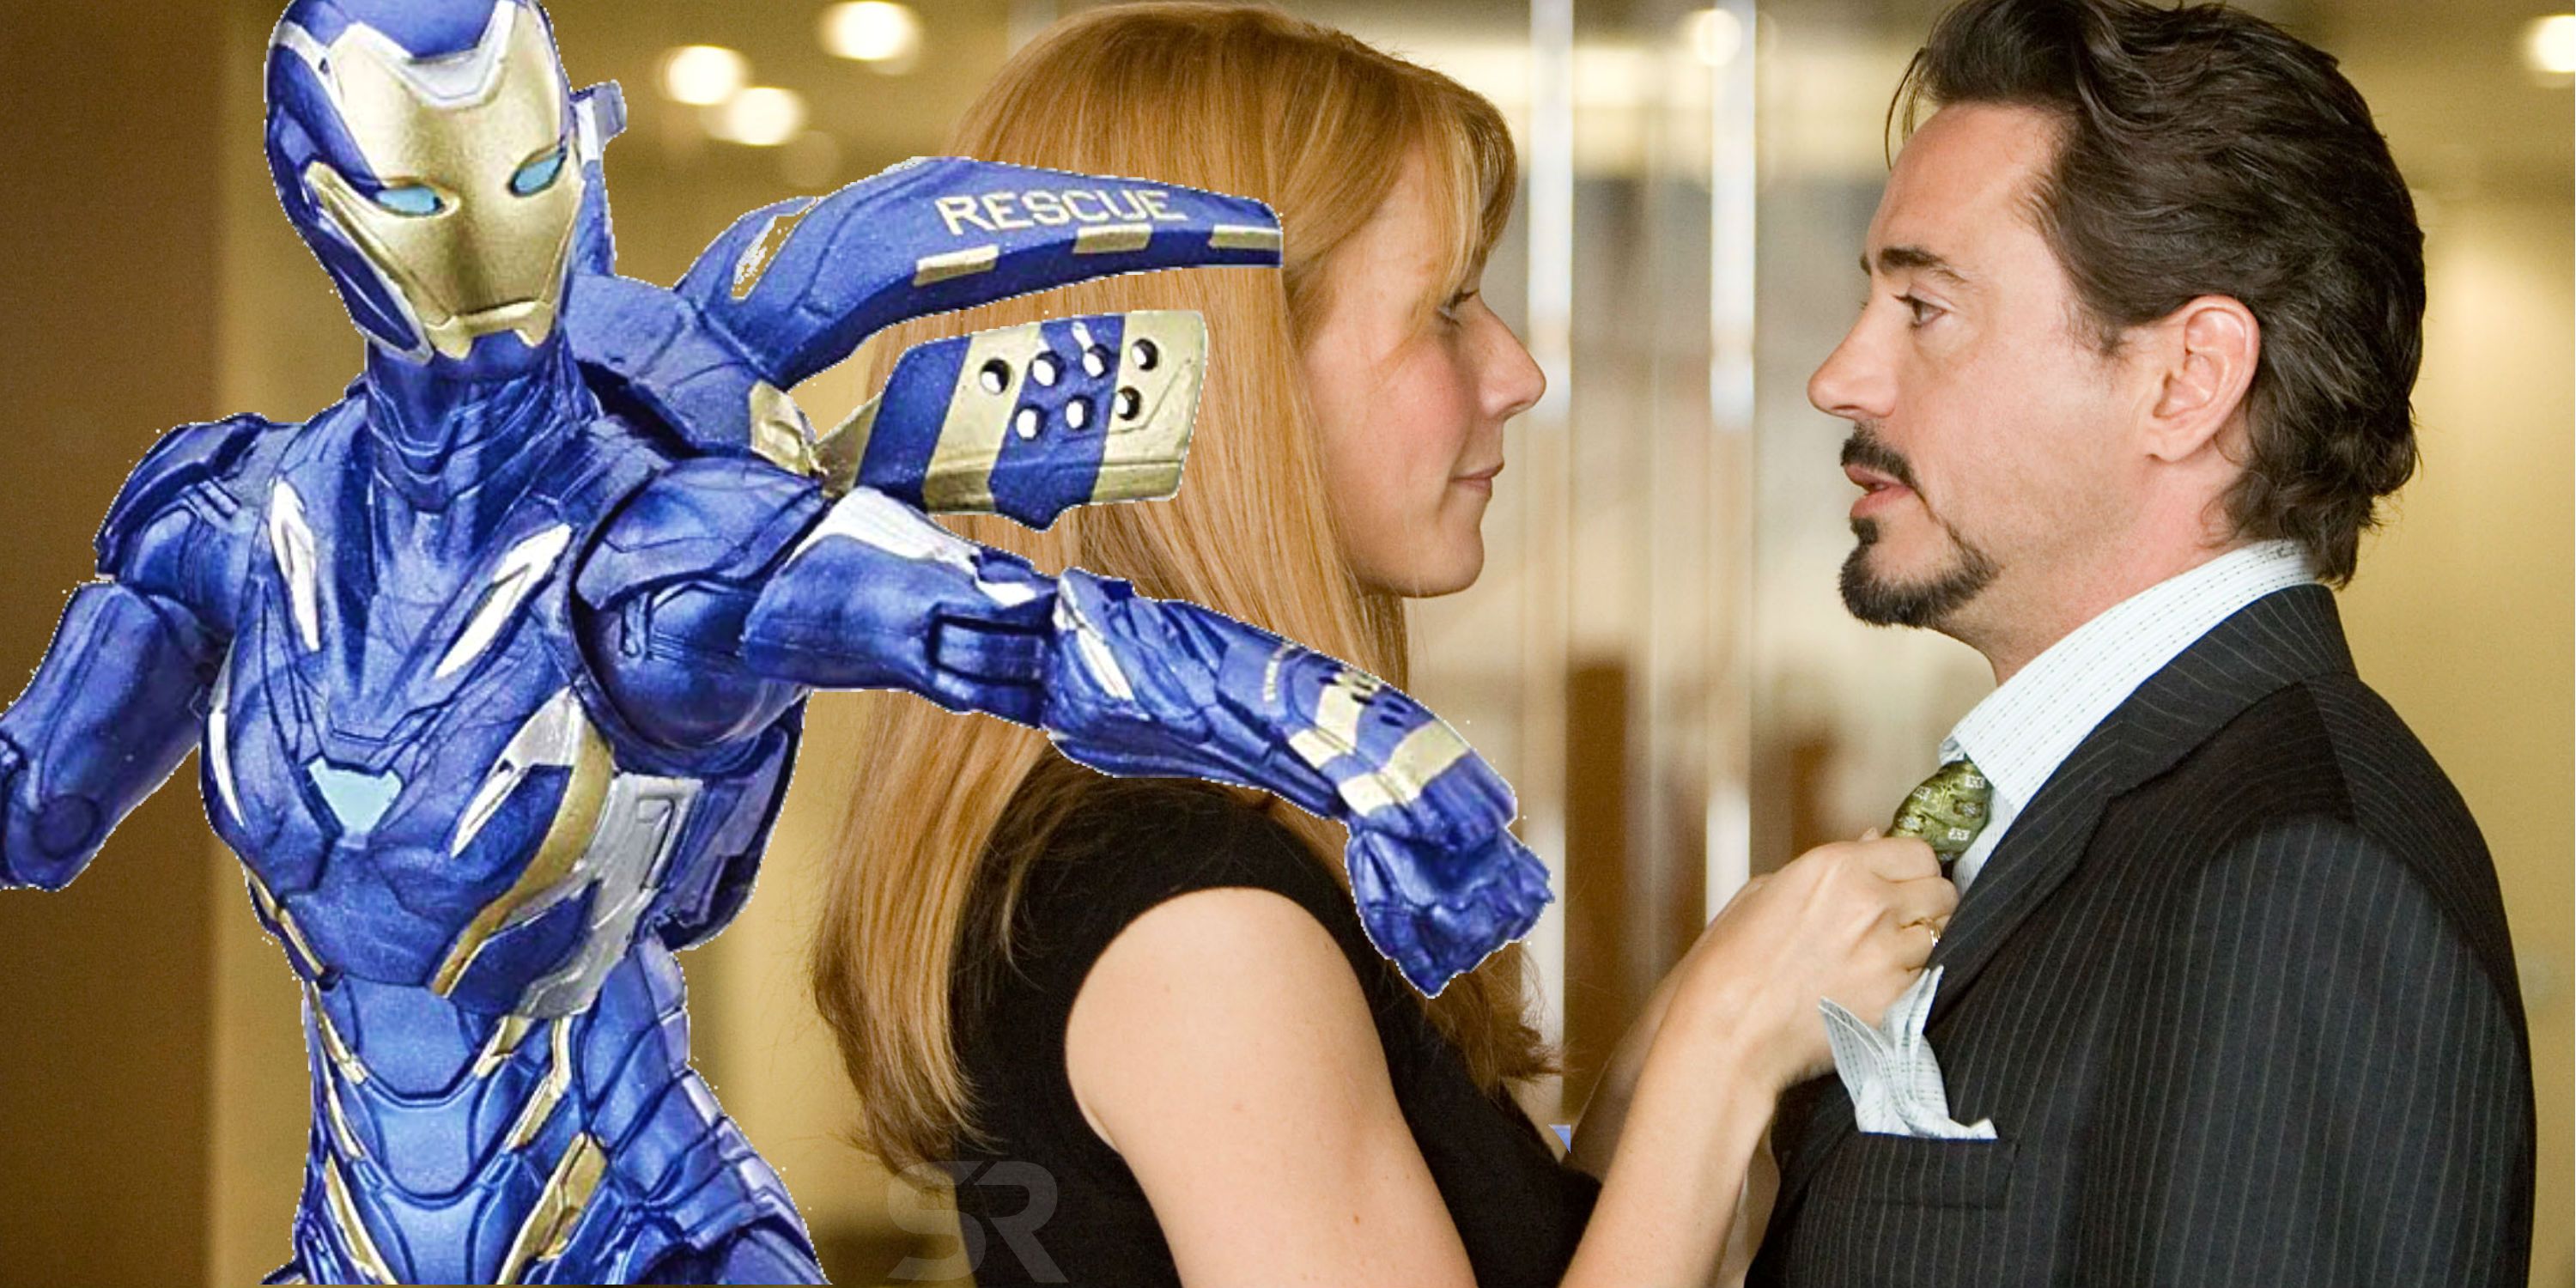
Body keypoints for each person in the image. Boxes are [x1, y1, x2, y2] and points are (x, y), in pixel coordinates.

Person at [809, 6, 1953, 1285]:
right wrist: (1722, 1052)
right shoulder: (1201, 922)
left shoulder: (1155, 857)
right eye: (1447, 308)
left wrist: (1701, 1019)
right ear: (1237, 378)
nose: (1516, 372)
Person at [1754, 0, 2535, 1283]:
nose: (1840, 377)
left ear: (2187, 380)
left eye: (1924, 306)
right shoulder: (2131, 811)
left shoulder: (2298, 880)